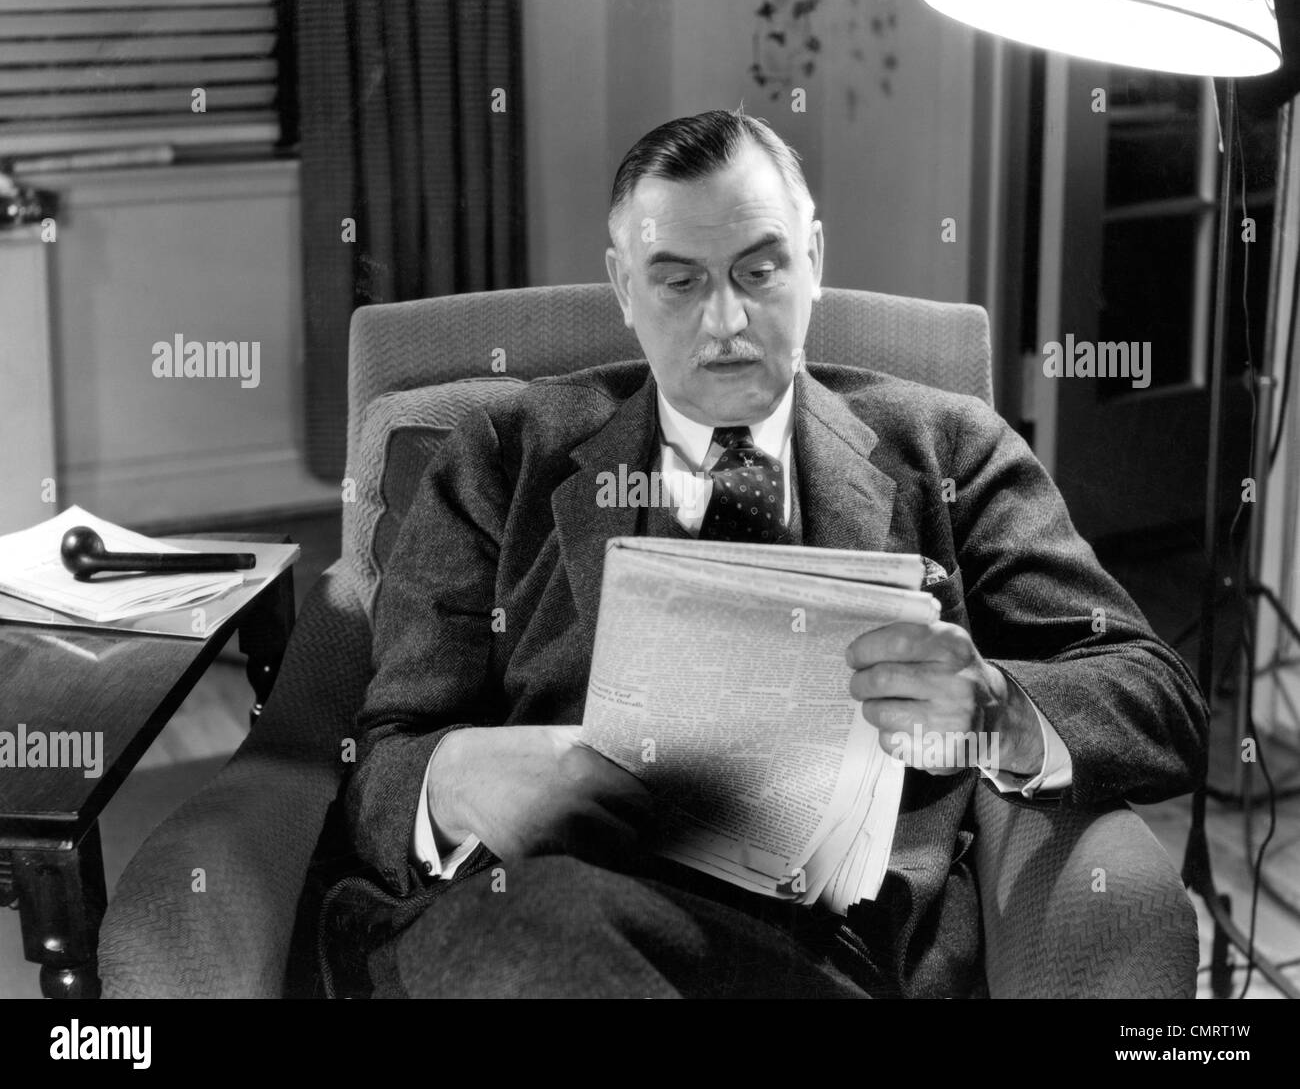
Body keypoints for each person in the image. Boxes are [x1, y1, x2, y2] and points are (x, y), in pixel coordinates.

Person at [341, 109, 1208, 998]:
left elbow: (1159, 696)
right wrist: (457, 775)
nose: (726, 322)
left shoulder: (949, 451)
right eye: (678, 282)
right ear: (623, 287)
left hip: (827, 955)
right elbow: (382, 760)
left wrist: (1000, 710)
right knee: (536, 921)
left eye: (759, 271)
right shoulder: (500, 454)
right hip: (540, 920)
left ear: (816, 261)